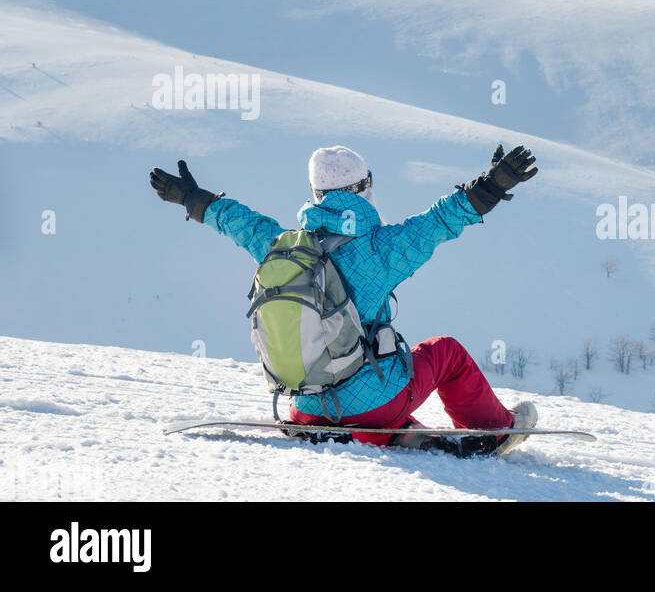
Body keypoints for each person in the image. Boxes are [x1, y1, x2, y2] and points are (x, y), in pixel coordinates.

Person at [148, 144, 540, 457]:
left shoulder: (283, 247)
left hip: (305, 410)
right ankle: (495, 432)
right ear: (364, 189)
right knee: (444, 352)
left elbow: (237, 222)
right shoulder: (381, 249)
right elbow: (441, 220)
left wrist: (193, 198)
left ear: (316, 195)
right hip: (370, 409)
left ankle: (397, 435)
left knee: (373, 379)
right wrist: (493, 184)